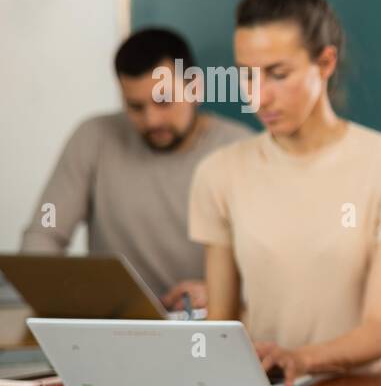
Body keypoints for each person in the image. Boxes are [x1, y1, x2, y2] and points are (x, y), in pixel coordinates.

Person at [189, 0, 381, 383]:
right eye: (245, 76)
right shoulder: (219, 174)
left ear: (326, 63)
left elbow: (379, 331)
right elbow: (221, 322)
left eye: (277, 74)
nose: (258, 96)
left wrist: (299, 359)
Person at [21, 28, 250, 306]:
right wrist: (53, 296)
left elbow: (273, 268)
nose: (151, 120)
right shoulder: (93, 138)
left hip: (209, 326)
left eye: (163, 101)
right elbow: (45, 231)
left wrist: (221, 293)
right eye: (135, 106)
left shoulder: (240, 150)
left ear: (195, 88)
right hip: (116, 327)